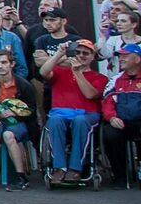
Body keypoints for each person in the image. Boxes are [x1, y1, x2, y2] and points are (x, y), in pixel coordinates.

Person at [41, 38, 107, 184]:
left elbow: (90, 94)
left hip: (86, 113)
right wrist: (59, 54)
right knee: (55, 120)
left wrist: (77, 72)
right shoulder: (61, 71)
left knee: (80, 121)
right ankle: (59, 168)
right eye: (78, 52)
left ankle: (75, 168)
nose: (81, 55)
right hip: (61, 112)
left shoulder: (100, 77)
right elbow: (43, 72)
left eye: (86, 53)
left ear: (93, 57)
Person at [0, 50, 39, 191]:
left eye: (4, 62)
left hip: (18, 122)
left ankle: (20, 177)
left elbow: (32, 111)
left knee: (8, 135)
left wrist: (16, 113)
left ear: (12, 64)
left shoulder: (23, 84)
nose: (0, 66)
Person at [99, 45, 141, 187]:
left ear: (137, 59)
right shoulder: (116, 79)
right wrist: (111, 117)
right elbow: (107, 101)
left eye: (125, 56)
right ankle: (120, 176)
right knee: (110, 135)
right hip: (120, 121)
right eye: (120, 56)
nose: (121, 59)